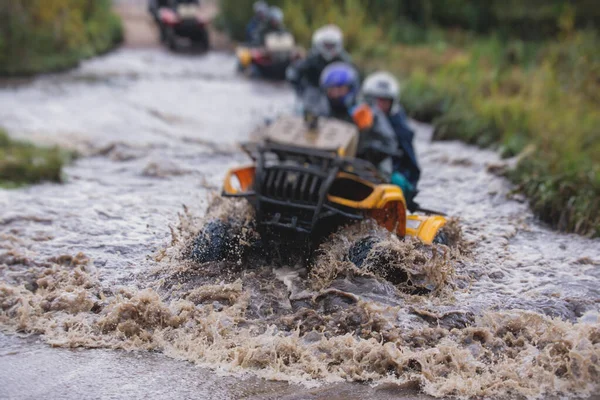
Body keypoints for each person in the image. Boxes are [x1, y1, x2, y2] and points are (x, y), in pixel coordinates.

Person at [361, 71, 420, 201]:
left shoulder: (401, 128)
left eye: (385, 102)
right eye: (376, 101)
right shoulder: (356, 117)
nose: (380, 106)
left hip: (389, 173)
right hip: (358, 167)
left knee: (398, 182)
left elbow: (412, 167)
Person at [286, 25, 352, 95]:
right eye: (326, 45)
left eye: (331, 45)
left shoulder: (343, 60)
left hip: (335, 95)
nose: (329, 48)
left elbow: (354, 77)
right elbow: (293, 72)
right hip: (314, 95)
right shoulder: (312, 58)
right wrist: (301, 90)